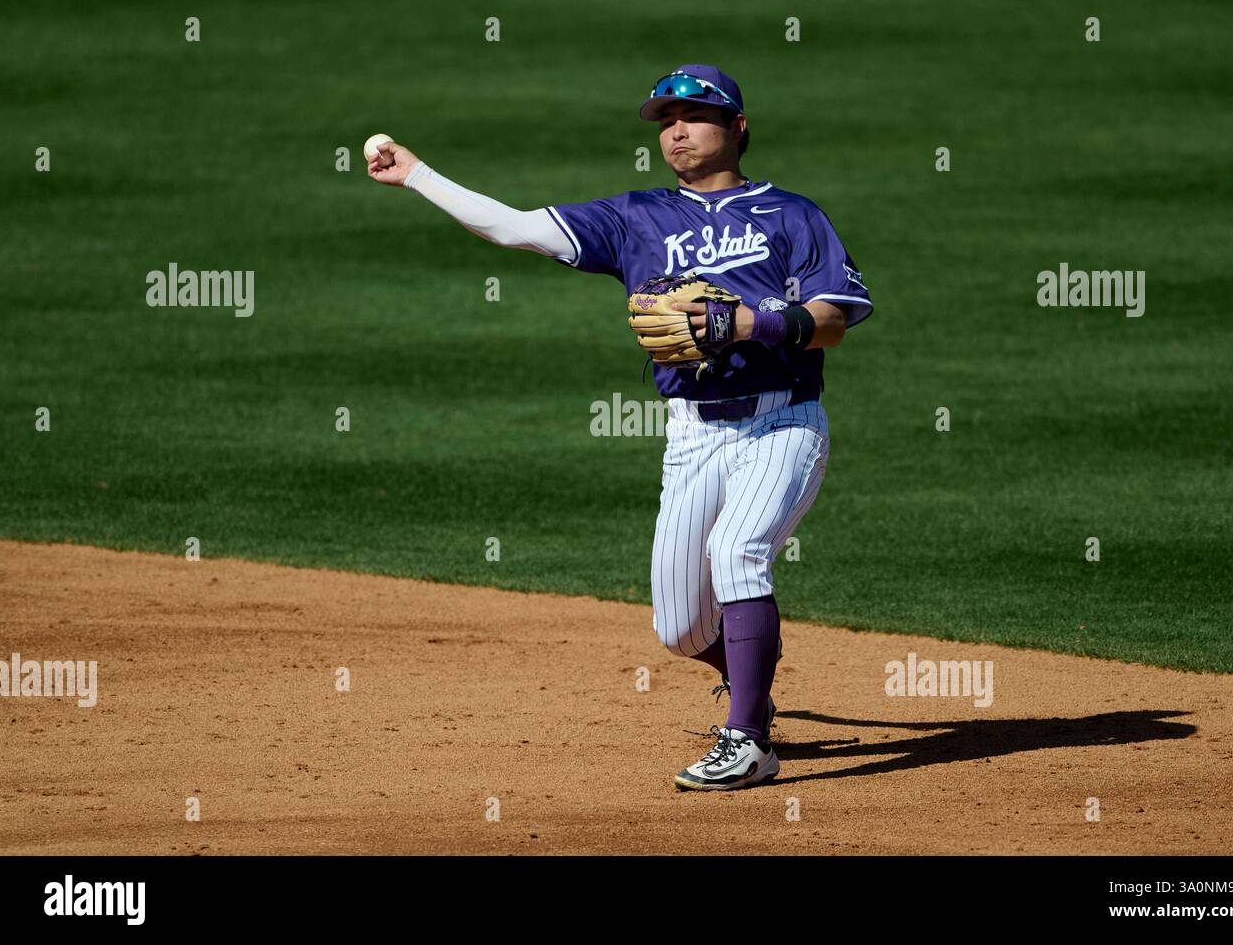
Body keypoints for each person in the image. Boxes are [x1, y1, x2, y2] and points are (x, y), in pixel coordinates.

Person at [368, 63, 873, 790]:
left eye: (695, 117)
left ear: (737, 127)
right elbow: (510, 228)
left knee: (738, 550)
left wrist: (751, 322)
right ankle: (751, 689)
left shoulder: (792, 215)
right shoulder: (634, 218)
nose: (677, 131)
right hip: (692, 433)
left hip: (783, 424)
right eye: (665, 120)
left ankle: (749, 739)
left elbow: (832, 324)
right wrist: (417, 174)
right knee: (678, 628)